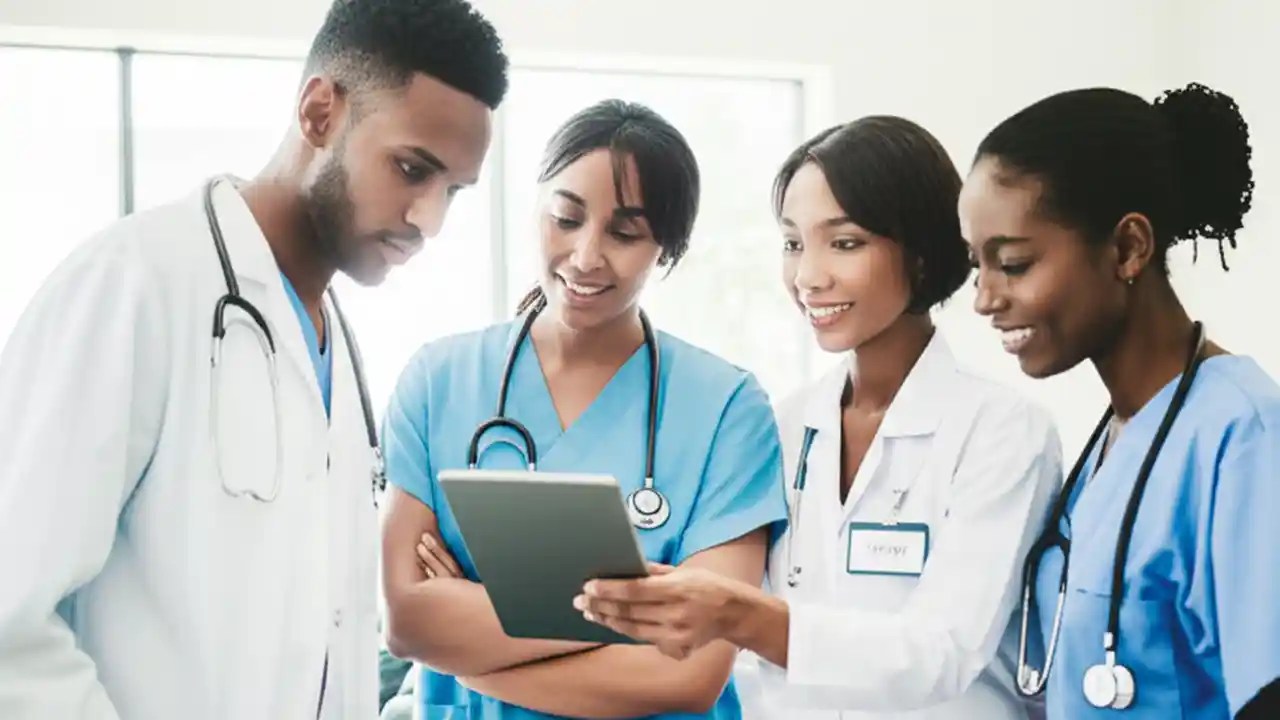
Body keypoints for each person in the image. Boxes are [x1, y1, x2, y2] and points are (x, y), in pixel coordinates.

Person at [0, 0, 508, 717]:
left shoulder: (337, 347)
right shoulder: (137, 282)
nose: (429, 219)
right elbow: (12, 617)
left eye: (452, 192)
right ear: (319, 112)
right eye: (411, 169)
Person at [576, 116, 1064, 719]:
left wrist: (742, 616)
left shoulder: (1003, 432)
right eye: (793, 243)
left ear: (920, 251)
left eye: (845, 242)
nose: (809, 276)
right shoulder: (779, 427)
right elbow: (736, 660)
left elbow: (944, 653)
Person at [380, 99, 789, 719]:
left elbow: (691, 676)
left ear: (666, 251)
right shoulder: (439, 382)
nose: (586, 255)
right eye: (566, 218)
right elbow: (408, 622)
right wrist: (633, 618)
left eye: (624, 234)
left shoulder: (727, 409)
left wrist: (467, 647)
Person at [958, 82, 1280, 718]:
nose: (985, 298)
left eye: (1014, 264)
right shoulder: (1113, 441)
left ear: (1129, 247)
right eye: (977, 266)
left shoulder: (1244, 434)